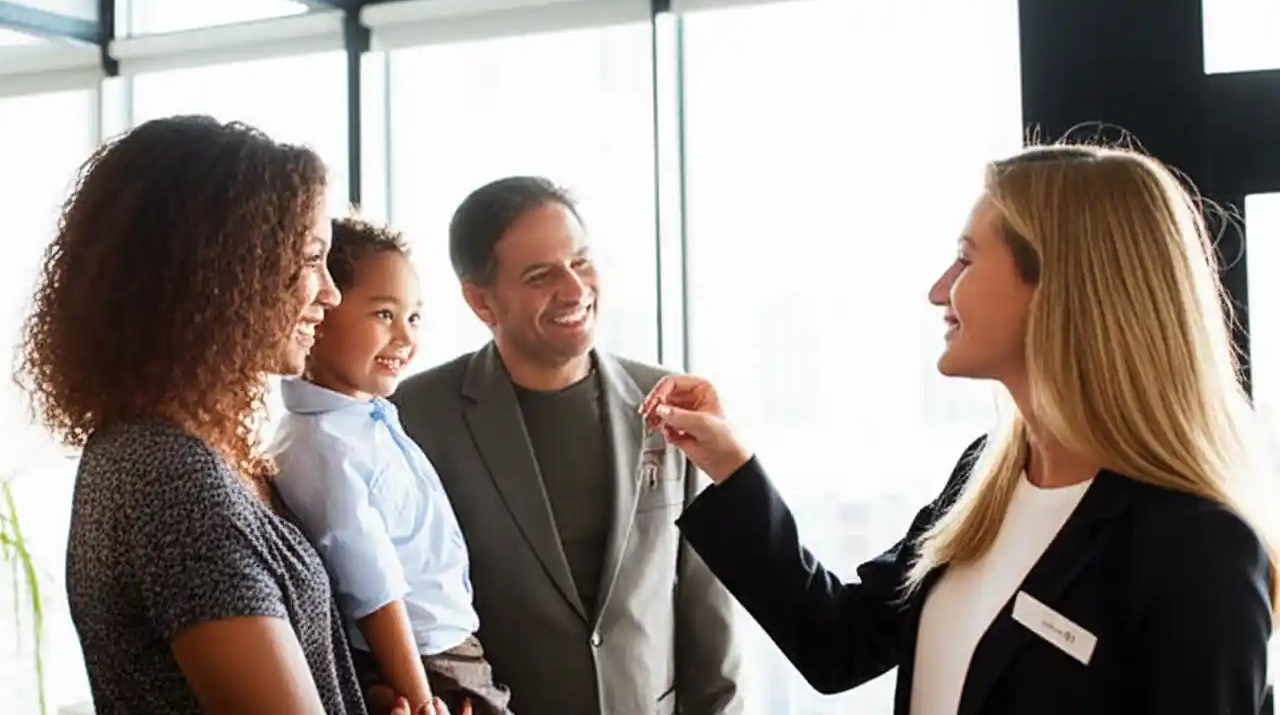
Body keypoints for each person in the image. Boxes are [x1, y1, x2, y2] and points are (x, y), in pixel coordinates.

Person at [640, 144, 1278, 715]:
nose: (938, 290)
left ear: (1058, 286)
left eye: (965, 260)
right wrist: (730, 464)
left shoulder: (1199, 546)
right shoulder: (986, 477)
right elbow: (838, 641)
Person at [19, 115, 434, 715]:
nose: (331, 293)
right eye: (312, 259)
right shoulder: (166, 477)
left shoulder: (210, 453)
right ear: (221, 274)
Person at [391, 176, 743, 715]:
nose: (575, 290)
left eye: (580, 262)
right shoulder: (415, 417)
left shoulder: (675, 404)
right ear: (481, 302)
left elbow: (711, 621)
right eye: (540, 275)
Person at [272, 216, 512, 715]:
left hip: (452, 649)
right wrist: (422, 700)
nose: (404, 337)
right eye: (383, 314)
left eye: (414, 317)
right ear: (320, 313)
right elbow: (373, 588)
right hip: (425, 663)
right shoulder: (324, 443)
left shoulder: (366, 419)